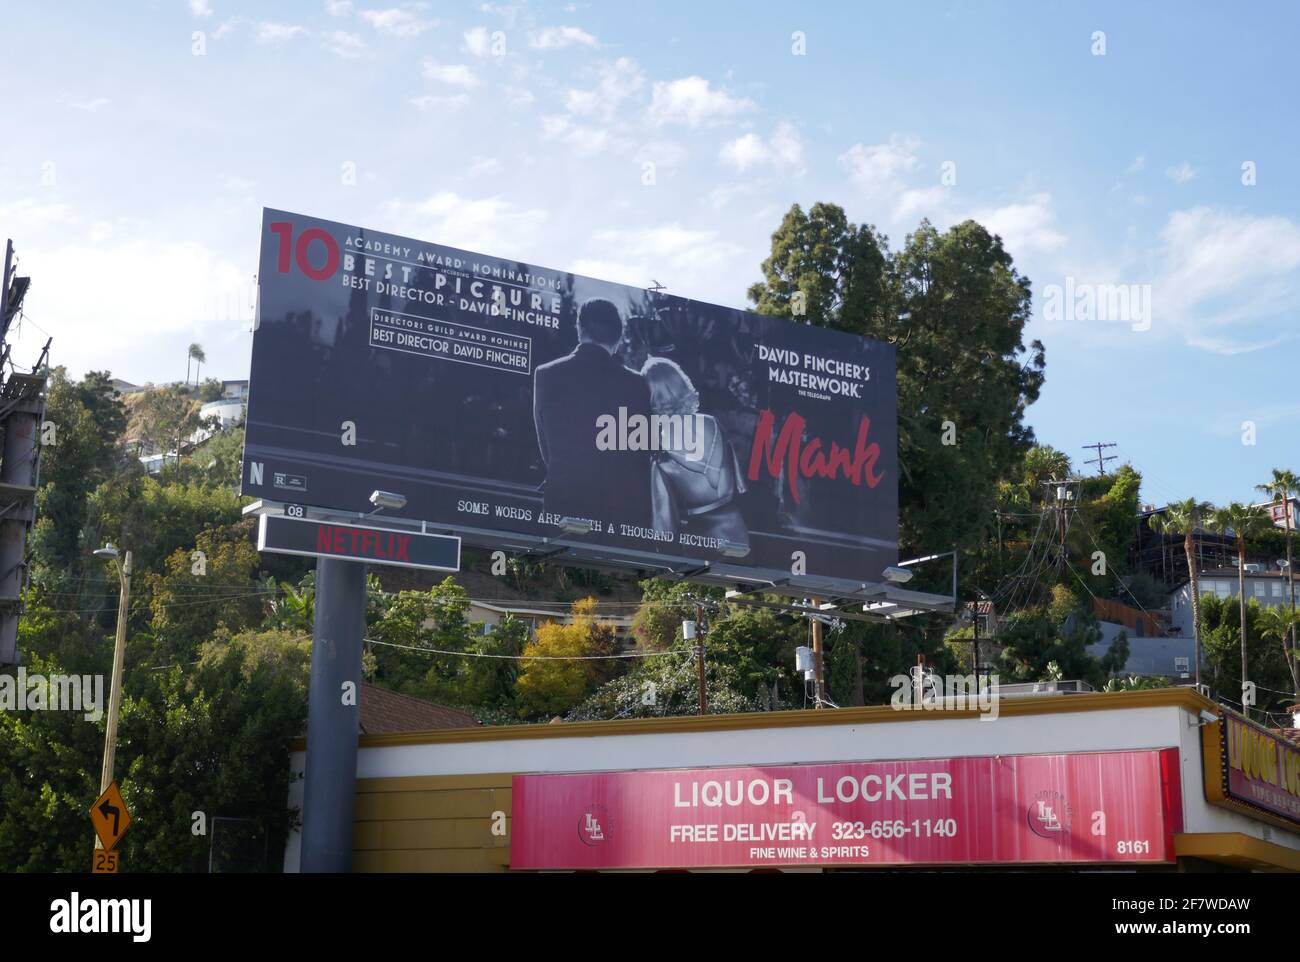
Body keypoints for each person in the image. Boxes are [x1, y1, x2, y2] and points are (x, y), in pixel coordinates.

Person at [533, 298, 653, 528]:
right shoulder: (637, 384)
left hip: (562, 499)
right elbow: (641, 453)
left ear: (580, 329)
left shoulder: (546, 374)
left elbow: (545, 443)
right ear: (618, 338)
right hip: (618, 508)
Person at [641, 357, 749, 551]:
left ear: (650, 396)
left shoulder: (659, 452)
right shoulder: (712, 422)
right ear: (681, 383)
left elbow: (664, 528)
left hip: (699, 538)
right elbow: (739, 483)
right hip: (737, 528)